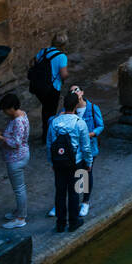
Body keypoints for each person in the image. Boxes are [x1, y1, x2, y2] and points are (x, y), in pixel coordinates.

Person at [46, 91, 92, 234]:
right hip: (76, 163)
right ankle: (73, 221)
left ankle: (60, 223)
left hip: (59, 162)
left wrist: (52, 162)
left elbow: (49, 145)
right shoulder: (80, 123)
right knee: (75, 192)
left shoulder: (54, 122)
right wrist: (88, 163)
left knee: (60, 193)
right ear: (76, 106)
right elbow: (86, 147)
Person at [0, 92, 29, 228]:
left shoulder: (17, 120)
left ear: (11, 107)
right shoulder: (20, 115)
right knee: (19, 188)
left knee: (19, 189)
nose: (5, 112)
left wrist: (0, 138)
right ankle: (19, 211)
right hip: (20, 155)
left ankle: (21, 217)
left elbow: (15, 142)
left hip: (16, 158)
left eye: (6, 109)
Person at [71, 86, 104, 218]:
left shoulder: (91, 108)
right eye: (72, 91)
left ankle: (85, 201)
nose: (75, 92)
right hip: (75, 148)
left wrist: (91, 134)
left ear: (82, 92)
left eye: (77, 89)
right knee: (76, 173)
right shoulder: (69, 110)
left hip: (89, 146)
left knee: (86, 172)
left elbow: (100, 125)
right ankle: (76, 199)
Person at [30, 34, 69, 136]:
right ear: (64, 44)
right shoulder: (62, 56)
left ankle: (45, 132)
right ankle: (48, 135)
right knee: (50, 112)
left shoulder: (44, 51)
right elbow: (64, 74)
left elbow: (32, 62)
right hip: (53, 87)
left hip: (40, 86)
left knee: (46, 109)